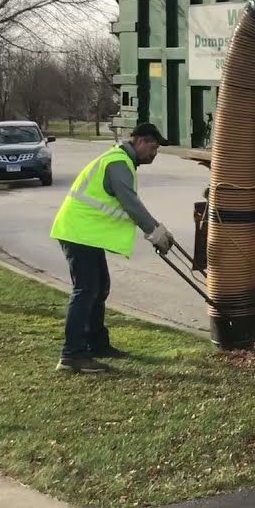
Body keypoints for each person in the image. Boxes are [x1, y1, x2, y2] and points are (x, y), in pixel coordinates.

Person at [49, 123, 173, 373]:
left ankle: (96, 345)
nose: (155, 152)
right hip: (78, 233)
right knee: (85, 291)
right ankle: (72, 355)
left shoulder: (120, 161)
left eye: (157, 147)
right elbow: (131, 203)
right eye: (152, 145)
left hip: (87, 234)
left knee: (99, 287)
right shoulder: (118, 162)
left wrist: (156, 229)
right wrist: (154, 232)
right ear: (138, 141)